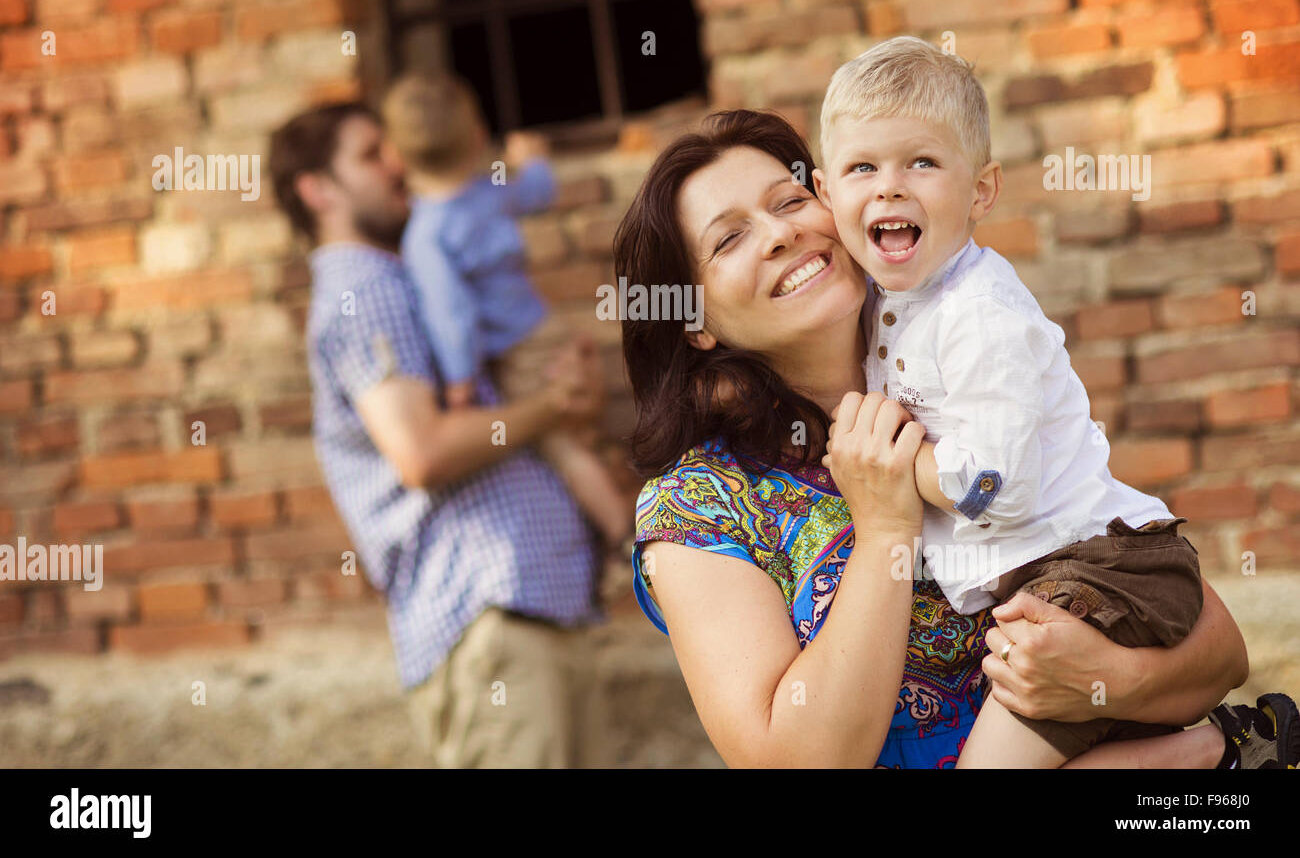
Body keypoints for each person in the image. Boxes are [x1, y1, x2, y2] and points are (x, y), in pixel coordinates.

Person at [615, 108, 1259, 768]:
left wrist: (1105, 683)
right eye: (729, 240)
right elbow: (798, 758)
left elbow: (1218, 649)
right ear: (695, 321)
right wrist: (888, 530)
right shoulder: (700, 504)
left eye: (791, 200)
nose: (781, 233)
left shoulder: (958, 381)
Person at [810, 36, 1300, 768]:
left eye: (922, 161)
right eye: (861, 167)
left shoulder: (980, 312)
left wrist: (890, 467)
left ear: (981, 191)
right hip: (1051, 576)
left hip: (1102, 568)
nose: (888, 187)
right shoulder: (892, 297)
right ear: (825, 194)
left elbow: (996, 486)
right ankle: (1226, 757)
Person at [269, 101, 607, 768]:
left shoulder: (404, 274)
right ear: (318, 189)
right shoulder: (362, 289)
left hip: (527, 610)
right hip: (489, 622)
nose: (396, 162)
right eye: (371, 154)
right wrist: (552, 404)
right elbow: (421, 451)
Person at [380, 72, 631, 555]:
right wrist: (532, 160)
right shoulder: (490, 191)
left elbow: (452, 316)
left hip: (518, 352)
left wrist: (459, 381)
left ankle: (622, 538)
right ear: (477, 138)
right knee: (580, 438)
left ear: (393, 157)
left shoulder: (426, 236)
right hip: (545, 327)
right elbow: (538, 192)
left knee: (563, 448)